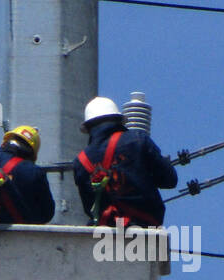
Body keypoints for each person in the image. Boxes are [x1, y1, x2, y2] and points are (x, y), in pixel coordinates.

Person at [73, 97, 178, 227]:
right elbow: (169, 180)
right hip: (145, 226)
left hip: (105, 233)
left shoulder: (81, 162)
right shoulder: (138, 140)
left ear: (89, 129)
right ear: (119, 121)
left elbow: (89, 208)